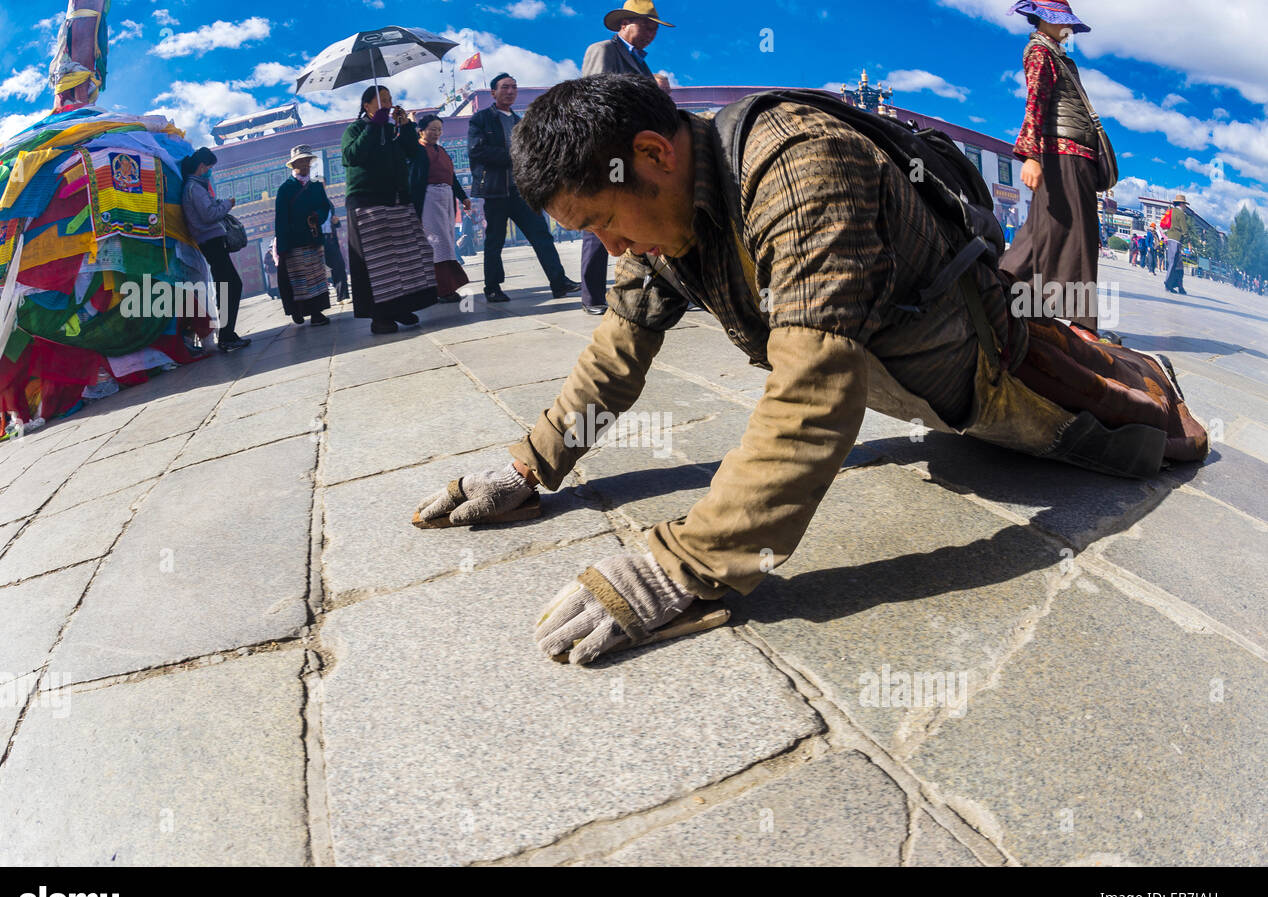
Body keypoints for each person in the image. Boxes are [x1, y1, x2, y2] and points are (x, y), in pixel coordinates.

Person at [411, 74, 1207, 667]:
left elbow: (817, 387)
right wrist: (528, 466)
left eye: (603, 225)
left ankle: (1148, 375)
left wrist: (685, 563)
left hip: (985, 367)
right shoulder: (662, 207)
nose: (613, 251)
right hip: (903, 369)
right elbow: (620, 347)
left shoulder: (799, 165)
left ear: (652, 155)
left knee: (1129, 423)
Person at [999, 1, 1106, 341]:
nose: (1068, 29)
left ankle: (1003, 289)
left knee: (1047, 231)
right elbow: (1036, 102)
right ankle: (1080, 321)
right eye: (1062, 22)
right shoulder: (1039, 53)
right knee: (1072, 233)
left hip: (1075, 157)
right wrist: (1030, 155)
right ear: (1043, 20)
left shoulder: (1058, 55)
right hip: (1060, 155)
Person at [579, 1, 676, 317]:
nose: (651, 33)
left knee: (639, 217)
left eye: (654, 28)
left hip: (636, 154)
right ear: (625, 23)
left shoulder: (643, 64)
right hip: (610, 151)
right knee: (604, 219)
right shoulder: (605, 50)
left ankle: (651, 286)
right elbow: (592, 101)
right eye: (646, 26)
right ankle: (592, 295)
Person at [468, 72, 581, 303]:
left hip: (521, 191)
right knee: (495, 240)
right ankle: (492, 287)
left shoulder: (521, 122)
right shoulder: (480, 120)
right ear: (493, 92)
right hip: (496, 191)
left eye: (513, 87)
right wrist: (515, 155)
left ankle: (559, 283)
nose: (510, 91)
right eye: (504, 87)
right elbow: (476, 150)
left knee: (542, 235)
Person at [341, 85, 437, 334]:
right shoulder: (355, 129)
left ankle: (401, 306)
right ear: (367, 105)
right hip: (367, 203)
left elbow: (416, 154)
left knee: (404, 258)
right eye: (382, 100)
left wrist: (405, 127)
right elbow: (353, 156)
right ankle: (380, 316)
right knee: (378, 263)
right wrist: (375, 125)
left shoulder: (393, 130)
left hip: (397, 200)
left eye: (390, 99)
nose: (388, 104)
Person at [180, 147, 249, 351]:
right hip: (210, 241)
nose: (210, 171)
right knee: (230, 285)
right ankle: (226, 335)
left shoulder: (195, 187)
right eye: (210, 167)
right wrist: (227, 204)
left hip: (211, 242)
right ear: (202, 166)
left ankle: (228, 333)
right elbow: (209, 215)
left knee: (227, 285)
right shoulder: (194, 188)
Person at [410, 114, 472, 303]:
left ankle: (447, 286)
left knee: (448, 238)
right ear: (421, 131)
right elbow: (413, 181)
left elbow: (452, 177)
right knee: (437, 242)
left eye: (439, 129)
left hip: (446, 198)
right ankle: (441, 289)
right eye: (432, 129)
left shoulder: (442, 150)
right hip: (429, 198)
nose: (437, 133)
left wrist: (463, 197)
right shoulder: (417, 151)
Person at [274, 145, 333, 327]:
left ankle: (317, 313)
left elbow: (325, 207)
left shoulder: (316, 186)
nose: (305, 164)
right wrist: (283, 246)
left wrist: (318, 215)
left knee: (316, 276)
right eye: (301, 161)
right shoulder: (285, 189)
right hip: (294, 242)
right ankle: (298, 311)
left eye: (307, 160)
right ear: (294, 165)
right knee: (300, 279)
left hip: (313, 238)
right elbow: (280, 219)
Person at [1164, 195, 1191, 295]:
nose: (1185, 206)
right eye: (1184, 204)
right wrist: (1189, 242)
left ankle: (1177, 286)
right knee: (1173, 264)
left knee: (1177, 264)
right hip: (1176, 239)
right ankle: (1168, 284)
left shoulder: (1171, 211)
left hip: (1170, 238)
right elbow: (1184, 229)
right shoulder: (1180, 213)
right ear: (1181, 204)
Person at [323, 208, 349, 302]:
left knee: (339, 266)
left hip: (330, 239)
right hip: (316, 241)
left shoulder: (328, 203)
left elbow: (335, 221)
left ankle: (343, 297)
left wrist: (336, 222)